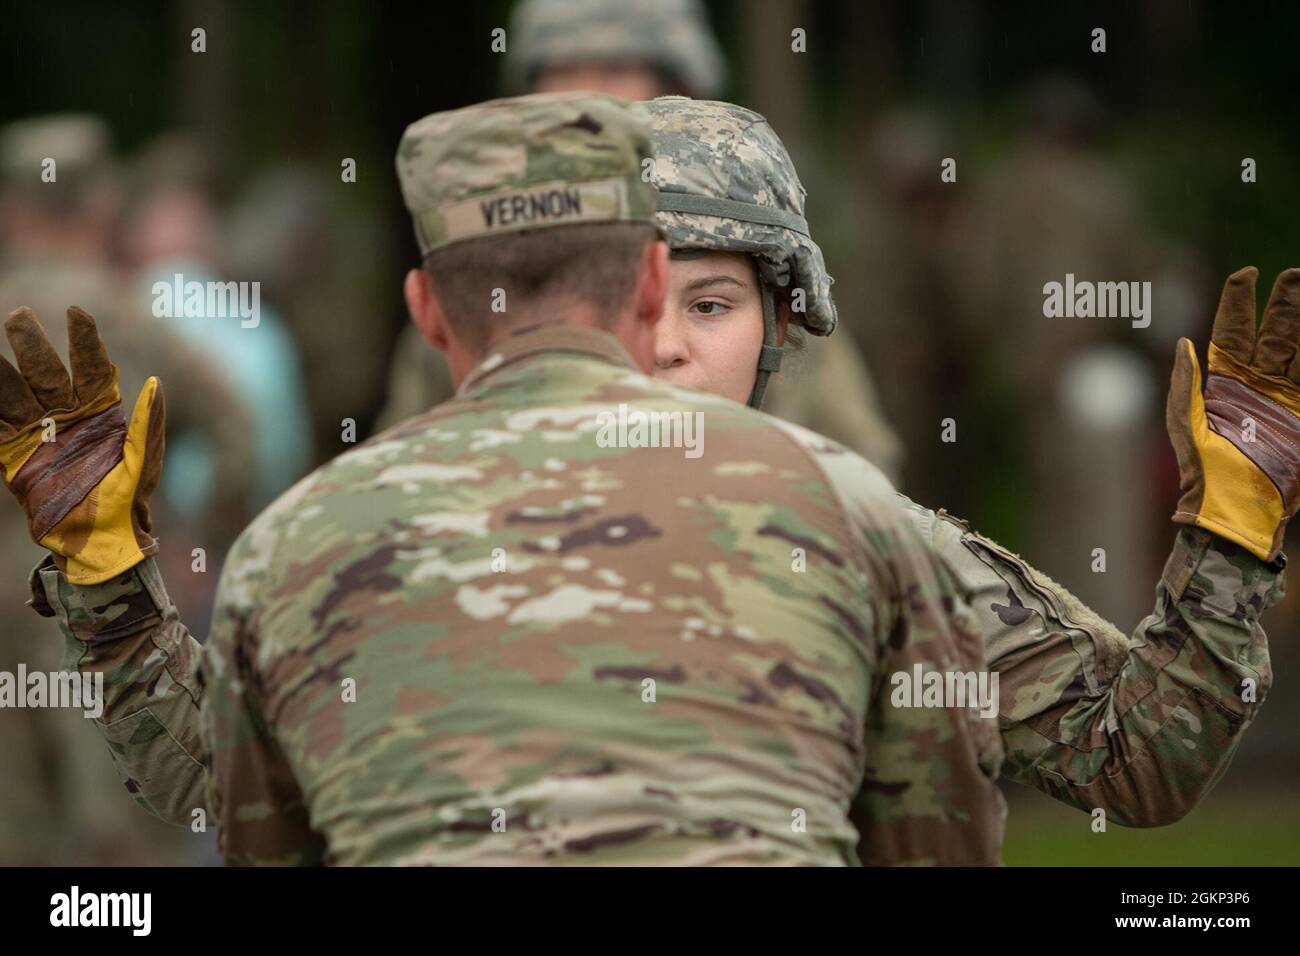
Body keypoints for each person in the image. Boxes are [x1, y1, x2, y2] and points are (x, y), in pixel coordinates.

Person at [0, 93, 1004, 865]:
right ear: (649, 287)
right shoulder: (850, 506)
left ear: (426, 312)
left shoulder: (298, 544)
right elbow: (956, 824)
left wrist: (110, 574)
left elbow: (230, 810)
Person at [638, 95, 1290, 827]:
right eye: (633, 302)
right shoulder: (485, 526)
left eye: (710, 306)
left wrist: (1228, 537)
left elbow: (1138, 760)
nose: (664, 346)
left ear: (781, 321)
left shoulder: (883, 558)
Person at [374, 0, 903, 480]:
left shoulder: (758, 268)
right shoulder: (494, 280)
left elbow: (861, 478)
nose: (585, 92)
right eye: (561, 72)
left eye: (614, 69)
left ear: (683, 88)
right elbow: (398, 476)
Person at [0, 113, 255, 865]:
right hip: (111, 608)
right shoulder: (128, 317)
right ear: (104, 206)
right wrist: (187, 541)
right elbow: (239, 434)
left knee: (17, 832)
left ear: (12, 210)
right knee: (125, 840)